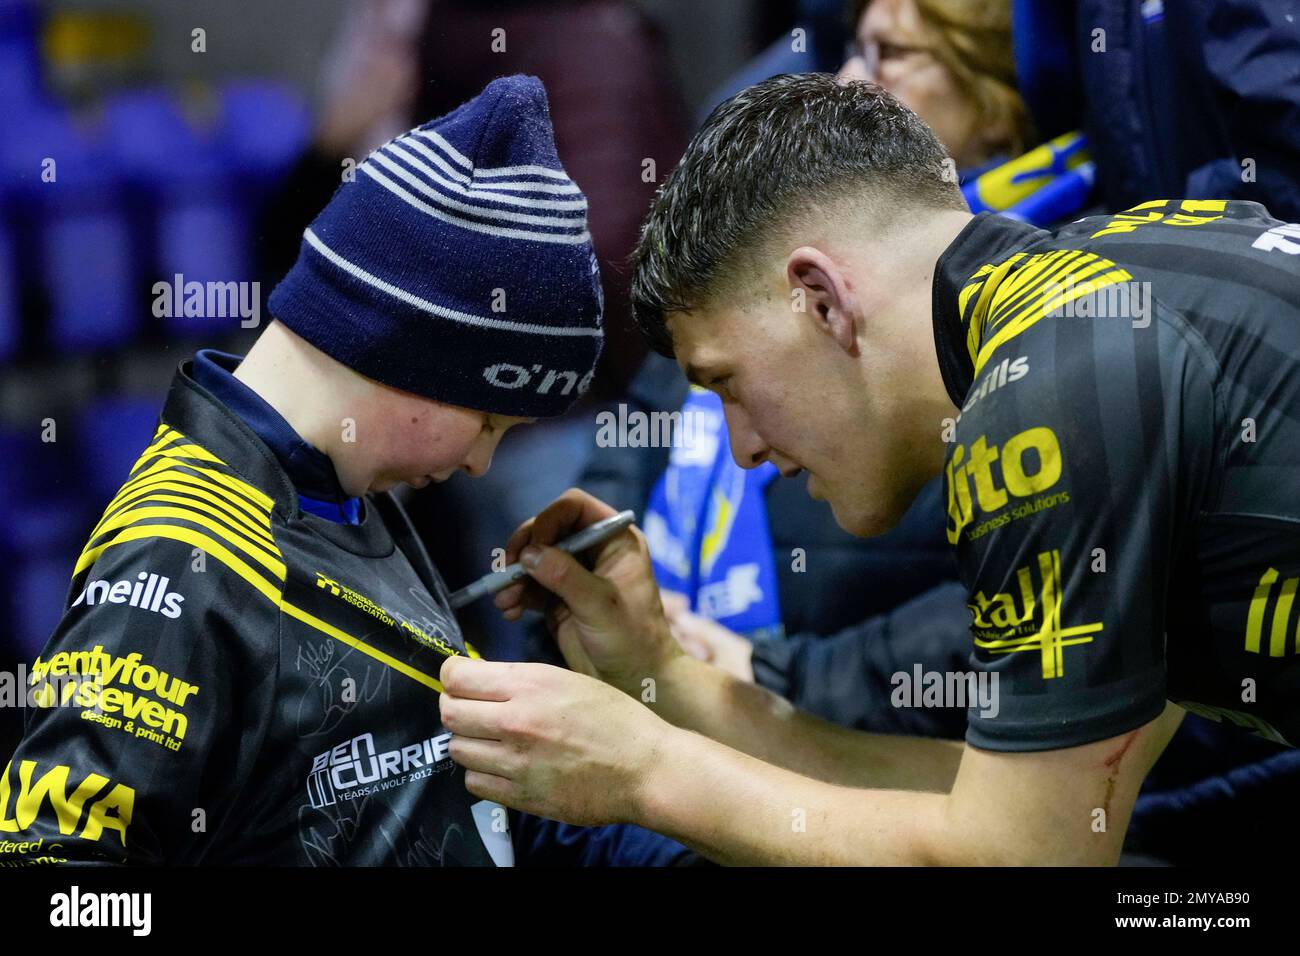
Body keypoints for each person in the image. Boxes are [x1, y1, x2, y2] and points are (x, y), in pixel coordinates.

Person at [438, 74, 1300, 864]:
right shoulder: (1126, 269)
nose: (742, 451)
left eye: (726, 384)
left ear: (821, 299)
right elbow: (1023, 809)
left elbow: (1025, 861)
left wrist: (644, 773)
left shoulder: (1049, 400)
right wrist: (665, 678)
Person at [0, 75, 692, 866]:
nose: (478, 463)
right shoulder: (180, 556)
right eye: (489, 422)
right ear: (401, 346)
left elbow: (429, 810)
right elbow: (58, 881)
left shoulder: (346, 499)